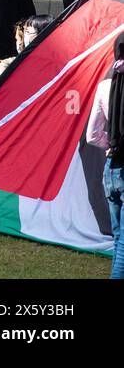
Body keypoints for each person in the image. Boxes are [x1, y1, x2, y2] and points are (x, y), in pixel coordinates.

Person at [85, 34, 124, 279]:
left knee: (119, 236)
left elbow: (92, 135)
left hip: (112, 168)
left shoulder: (104, 86)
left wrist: (112, 145)